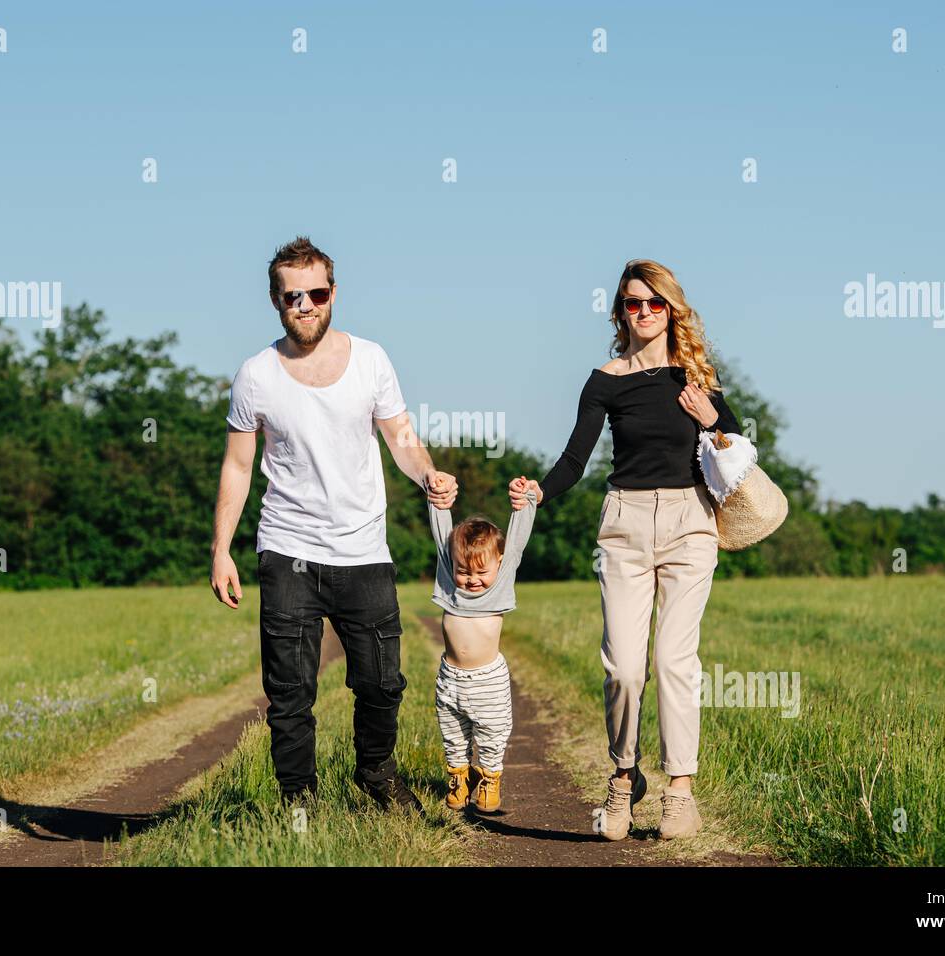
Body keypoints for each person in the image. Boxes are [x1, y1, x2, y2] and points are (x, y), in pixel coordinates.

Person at [209, 236, 458, 811]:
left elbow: (400, 437)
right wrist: (221, 548)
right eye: (292, 295)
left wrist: (427, 475)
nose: (305, 305)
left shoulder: (371, 359)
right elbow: (238, 464)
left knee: (381, 683)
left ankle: (375, 773)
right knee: (290, 690)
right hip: (287, 548)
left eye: (316, 293)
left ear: (333, 294)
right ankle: (299, 800)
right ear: (276, 300)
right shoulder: (256, 375)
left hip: (364, 550)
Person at [508, 258, 741, 841]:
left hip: (691, 522)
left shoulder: (693, 376)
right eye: (632, 304)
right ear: (619, 313)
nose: (642, 313)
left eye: (653, 304)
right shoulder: (604, 381)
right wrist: (539, 489)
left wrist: (710, 415)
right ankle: (623, 777)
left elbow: (736, 445)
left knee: (673, 661)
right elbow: (574, 459)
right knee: (624, 667)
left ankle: (680, 791)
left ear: (670, 310)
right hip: (625, 525)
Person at [426, 479, 537, 813]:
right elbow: (440, 535)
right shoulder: (450, 584)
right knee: (453, 736)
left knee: (492, 732)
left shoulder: (500, 586)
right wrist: (438, 501)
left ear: (500, 564)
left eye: (480, 571)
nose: (471, 578)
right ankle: (459, 777)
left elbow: (517, 541)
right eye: (463, 570)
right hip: (451, 679)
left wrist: (526, 501)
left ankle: (489, 777)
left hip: (488, 681)